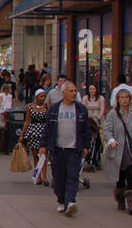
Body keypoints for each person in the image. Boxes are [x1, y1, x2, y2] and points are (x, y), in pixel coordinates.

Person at [38, 80, 92, 216]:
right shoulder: (54, 109)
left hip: (74, 149)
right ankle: (61, 200)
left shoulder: (81, 110)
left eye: (75, 91)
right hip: (57, 149)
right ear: (63, 93)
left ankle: (70, 202)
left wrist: (86, 146)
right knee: (58, 178)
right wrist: (43, 145)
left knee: (73, 176)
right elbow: (48, 129)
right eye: (71, 91)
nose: (74, 93)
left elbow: (86, 130)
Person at [104, 88, 132, 215]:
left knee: (131, 174)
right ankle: (121, 199)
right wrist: (111, 140)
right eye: (122, 98)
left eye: (127, 97)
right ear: (117, 100)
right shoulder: (113, 114)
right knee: (120, 176)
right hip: (118, 150)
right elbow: (107, 130)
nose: (124, 100)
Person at [21, 88, 49, 182]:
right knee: (35, 156)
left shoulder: (47, 107)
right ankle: (38, 176)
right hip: (33, 133)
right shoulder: (30, 107)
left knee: (44, 155)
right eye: (41, 96)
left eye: (44, 96)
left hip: (43, 132)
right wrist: (22, 134)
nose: (43, 98)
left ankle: (45, 177)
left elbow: (49, 121)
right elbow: (27, 121)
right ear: (36, 97)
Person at [83, 83, 106, 171]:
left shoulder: (101, 98)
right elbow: (83, 108)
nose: (92, 91)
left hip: (97, 121)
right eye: (90, 89)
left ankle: (97, 159)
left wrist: (98, 118)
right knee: (89, 140)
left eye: (93, 89)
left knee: (98, 141)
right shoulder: (85, 98)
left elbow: (102, 109)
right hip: (88, 121)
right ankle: (89, 159)